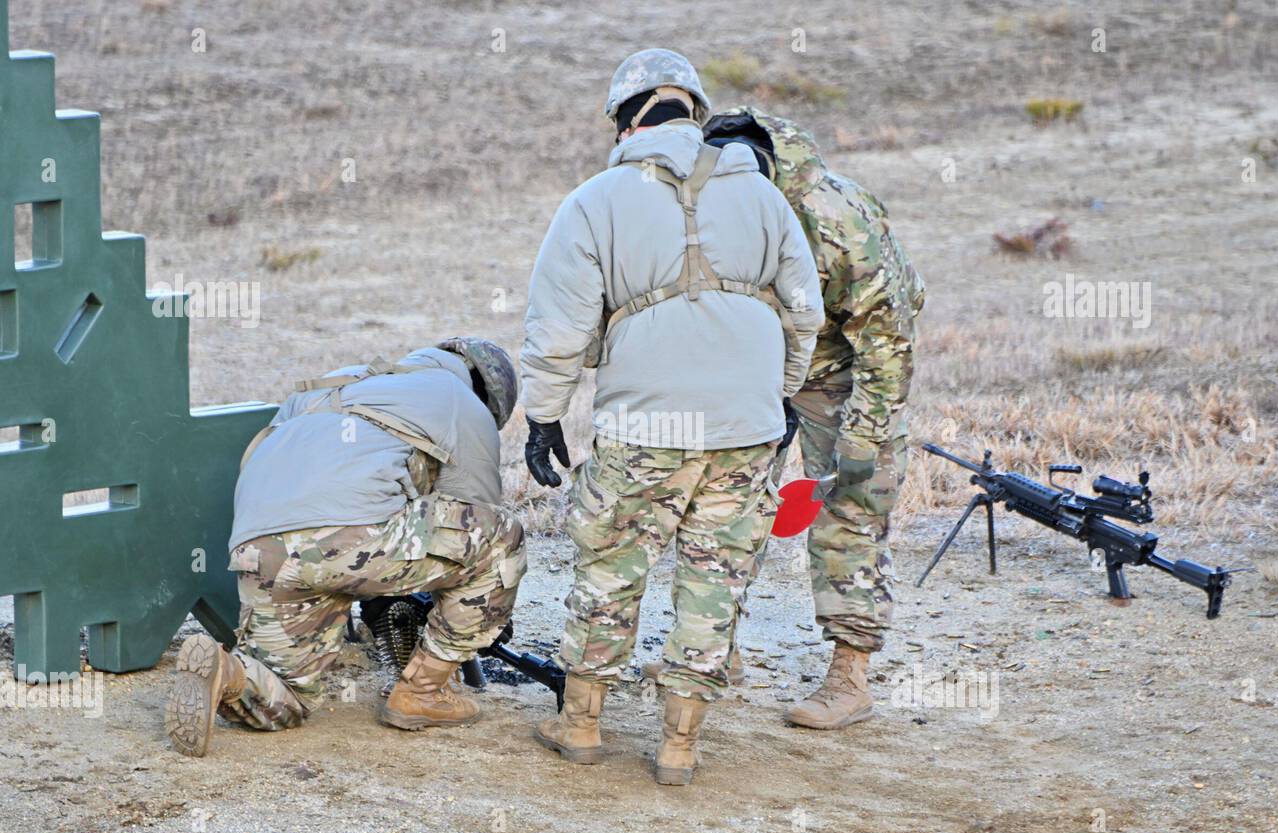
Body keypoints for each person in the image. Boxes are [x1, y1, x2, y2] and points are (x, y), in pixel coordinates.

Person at [518, 49, 823, 784]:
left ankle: (582, 727)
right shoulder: (764, 195)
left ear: (626, 121)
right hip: (745, 428)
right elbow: (806, 313)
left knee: (610, 569)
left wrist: (544, 418)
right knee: (715, 582)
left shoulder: (594, 200)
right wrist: (779, 395)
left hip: (646, 428)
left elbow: (557, 331)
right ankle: (679, 748)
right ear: (693, 110)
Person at [165, 338, 526, 757]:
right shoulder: (459, 400)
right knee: (502, 539)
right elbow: (474, 513)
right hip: (349, 541)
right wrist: (483, 613)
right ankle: (422, 692)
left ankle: (226, 671)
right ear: (487, 394)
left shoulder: (334, 382)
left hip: (261, 548)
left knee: (288, 699)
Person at [699, 107, 926, 729]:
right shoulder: (700, 198)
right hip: (758, 366)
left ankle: (848, 677)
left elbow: (888, 341)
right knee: (723, 501)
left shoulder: (837, 222)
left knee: (852, 508)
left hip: (845, 365)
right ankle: (712, 652)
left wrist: (864, 436)